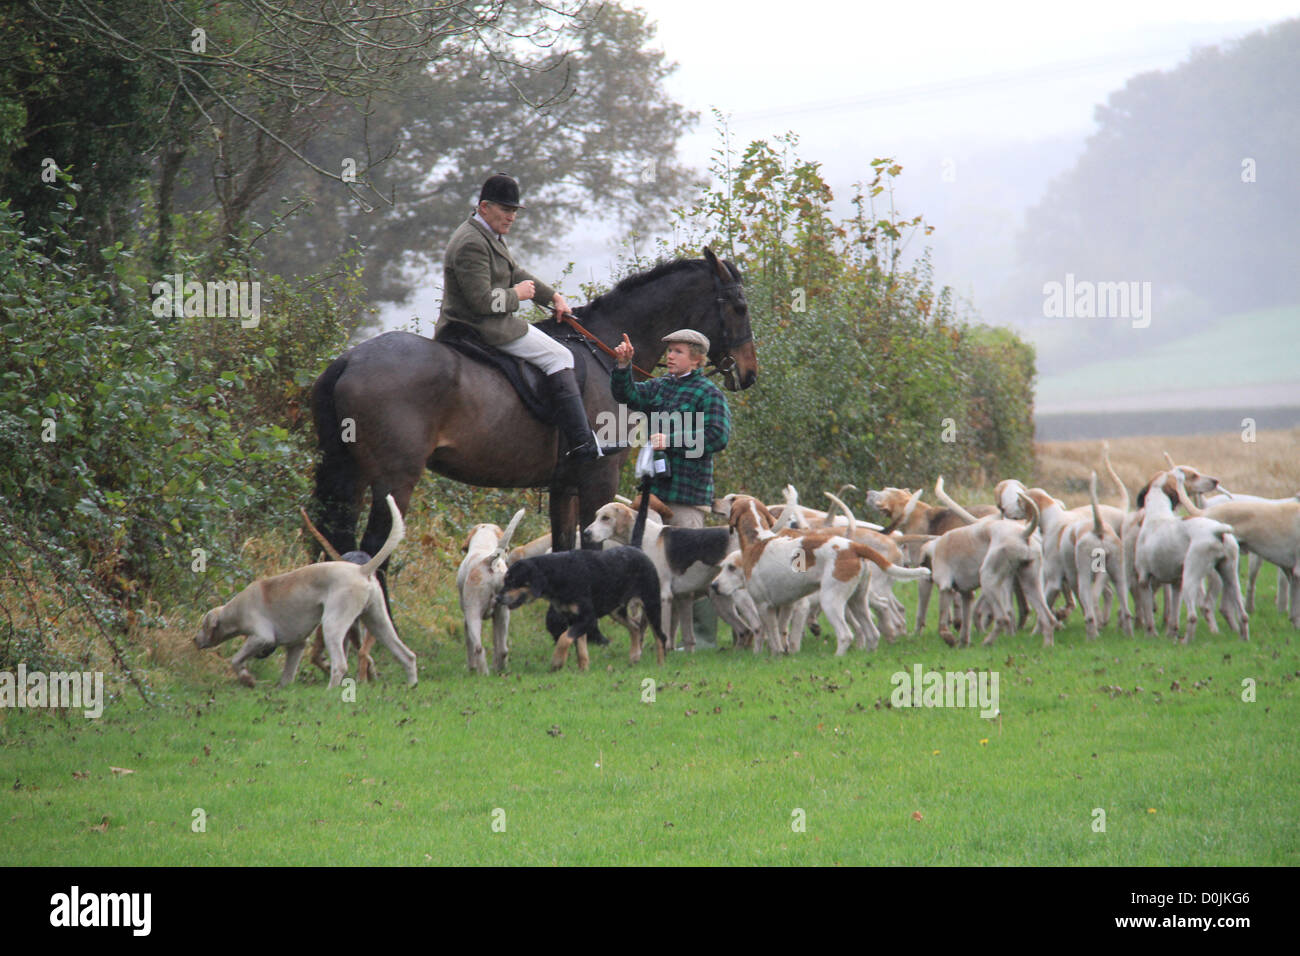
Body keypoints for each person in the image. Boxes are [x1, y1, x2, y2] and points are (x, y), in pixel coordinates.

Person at [435, 173, 604, 461]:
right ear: (484, 207)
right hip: (479, 327)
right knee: (561, 356)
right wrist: (518, 295)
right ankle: (581, 444)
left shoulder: (487, 235)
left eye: (514, 211)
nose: (511, 216)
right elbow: (481, 302)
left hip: (485, 322)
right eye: (505, 209)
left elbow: (513, 272)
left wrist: (553, 297)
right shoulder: (471, 243)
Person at [611, 330, 731, 529]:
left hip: (686, 501)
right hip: (653, 495)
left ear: (696, 359)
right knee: (644, 557)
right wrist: (623, 365)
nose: (670, 355)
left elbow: (718, 436)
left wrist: (670, 441)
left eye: (678, 351)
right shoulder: (659, 386)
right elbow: (626, 395)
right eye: (669, 350)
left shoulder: (709, 393)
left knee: (682, 559)